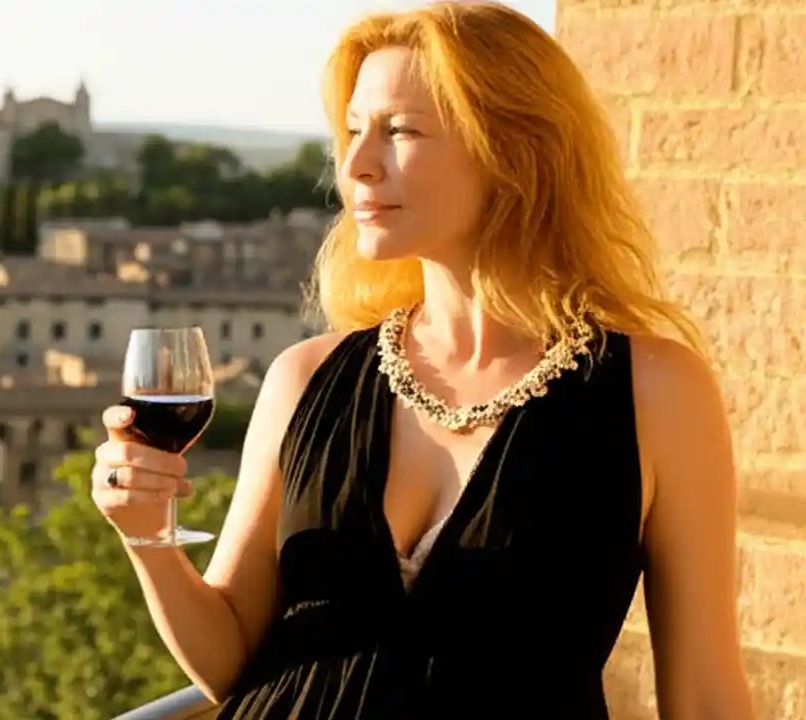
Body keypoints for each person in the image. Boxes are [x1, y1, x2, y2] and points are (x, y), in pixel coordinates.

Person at [91, 2, 756, 717]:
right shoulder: (306, 380)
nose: (355, 166)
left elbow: (706, 692)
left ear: (513, 151)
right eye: (351, 132)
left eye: (399, 131)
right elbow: (236, 667)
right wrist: (146, 535)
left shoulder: (655, 391)